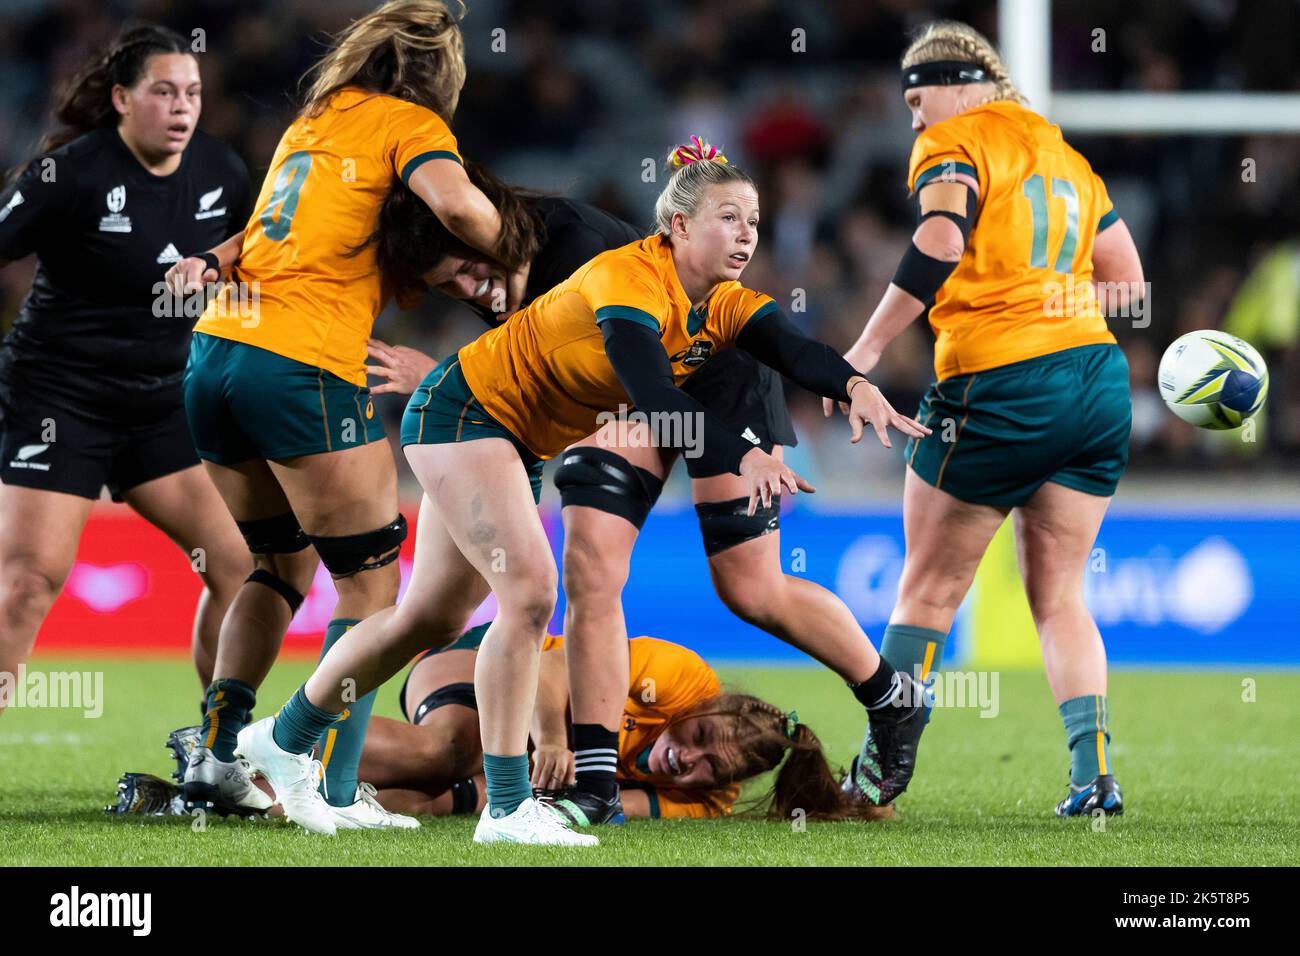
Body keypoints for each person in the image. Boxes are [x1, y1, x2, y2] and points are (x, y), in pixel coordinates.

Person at [236, 135, 928, 844]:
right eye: (729, 218)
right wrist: (741, 455)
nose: (748, 234)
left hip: (507, 429)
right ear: (678, 226)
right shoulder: (625, 279)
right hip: (468, 420)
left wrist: (856, 385)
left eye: (753, 220)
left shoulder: (716, 301)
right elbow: (652, 396)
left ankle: (282, 738)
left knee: (429, 619)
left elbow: (794, 349)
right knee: (533, 592)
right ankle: (511, 806)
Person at [169, 0, 528, 829]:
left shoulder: (315, 120)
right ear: (438, 76)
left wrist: (208, 259)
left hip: (216, 352)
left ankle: (217, 754)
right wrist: (516, 250)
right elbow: (461, 209)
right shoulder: (409, 125)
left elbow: (260, 233)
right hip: (301, 361)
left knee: (277, 566)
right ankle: (332, 790)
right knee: (372, 589)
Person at [830, 21, 1143, 816]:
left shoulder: (954, 140)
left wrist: (864, 350)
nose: (913, 120)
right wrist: (1053, 307)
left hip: (999, 383)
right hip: (1097, 383)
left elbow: (940, 241)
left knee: (927, 592)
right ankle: (1093, 777)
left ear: (961, 87)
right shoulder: (1065, 156)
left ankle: (879, 772)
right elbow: (1127, 282)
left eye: (917, 101)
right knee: (1060, 595)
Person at [0, 24, 251, 717]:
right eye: (163, 91)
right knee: (28, 584)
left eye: (192, 92)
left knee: (240, 569)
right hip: (58, 401)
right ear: (120, 98)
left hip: (160, 405)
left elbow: (254, 255)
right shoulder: (69, 173)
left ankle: (220, 750)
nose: (182, 106)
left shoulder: (222, 172)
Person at [359, 621, 887, 822]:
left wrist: (448, 801)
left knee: (436, 795)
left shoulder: (707, 802)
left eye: (710, 767)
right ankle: (312, 745)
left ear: (725, 785)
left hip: (514, 753)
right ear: (705, 708)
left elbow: (586, 805)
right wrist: (553, 740)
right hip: (499, 660)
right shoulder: (683, 677)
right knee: (448, 753)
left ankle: (313, 792)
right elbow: (549, 667)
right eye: (700, 736)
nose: (686, 759)